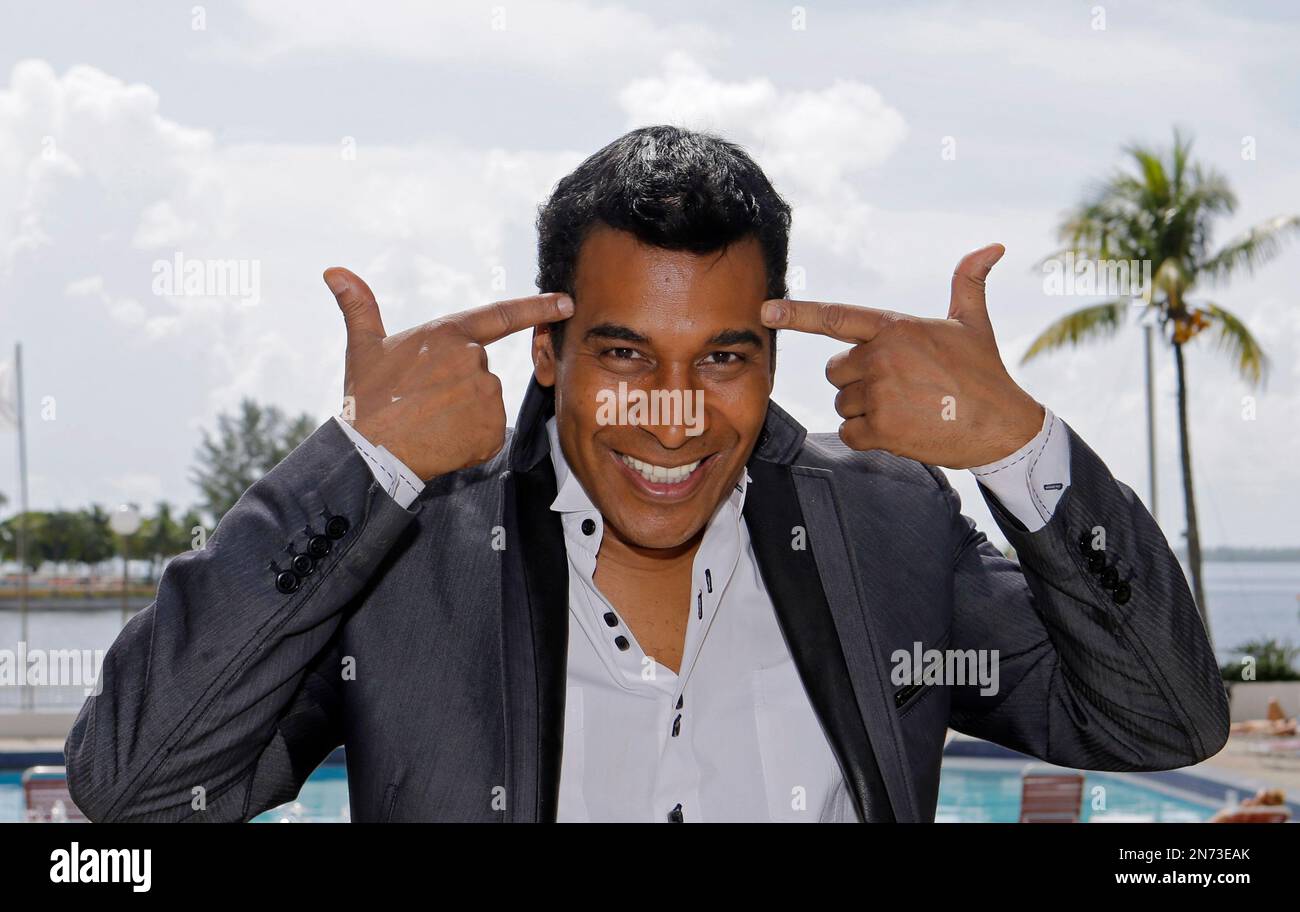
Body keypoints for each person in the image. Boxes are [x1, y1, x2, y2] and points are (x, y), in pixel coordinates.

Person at [64, 125, 1229, 822]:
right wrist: (359, 463)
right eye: (623, 354)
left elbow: (1163, 721)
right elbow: (138, 784)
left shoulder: (888, 526)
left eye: (723, 356)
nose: (672, 417)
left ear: (772, 357)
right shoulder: (407, 554)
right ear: (547, 354)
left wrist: (1019, 450)